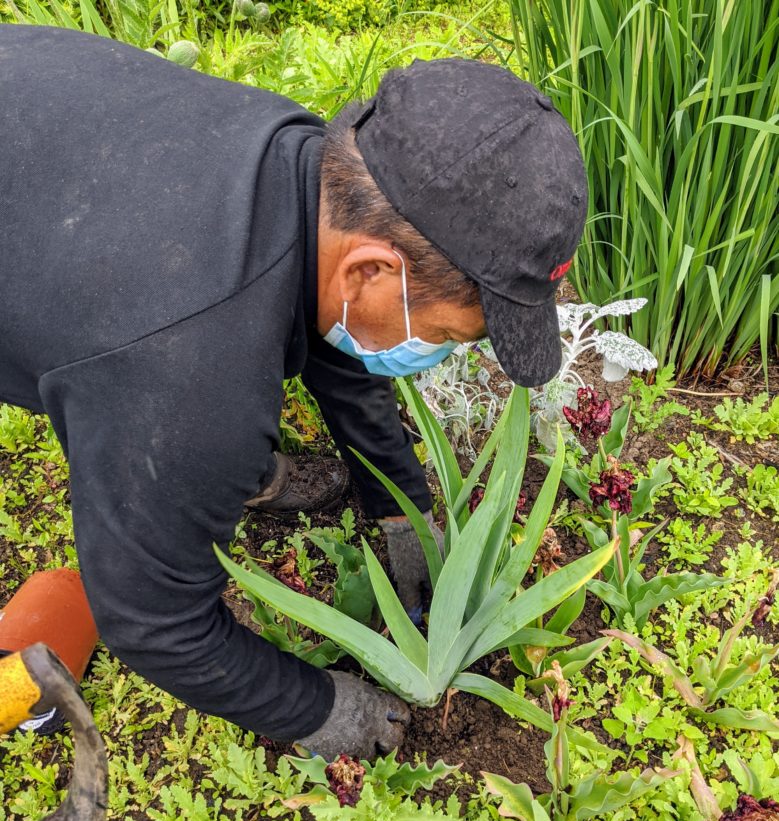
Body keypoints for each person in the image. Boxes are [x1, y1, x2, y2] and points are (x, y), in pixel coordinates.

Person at [0, 25, 588, 759]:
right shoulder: (187, 368)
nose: (436, 352)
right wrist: (320, 709)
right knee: (190, 438)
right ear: (372, 270)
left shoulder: (307, 168)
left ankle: (239, 476)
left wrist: (398, 504)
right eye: (446, 334)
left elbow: (334, 325)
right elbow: (155, 623)